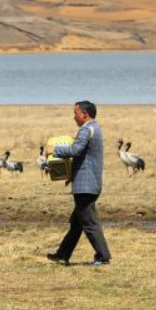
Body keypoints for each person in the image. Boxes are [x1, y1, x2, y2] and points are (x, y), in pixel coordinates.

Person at [47, 100, 111, 266]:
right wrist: (72, 175)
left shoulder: (86, 129)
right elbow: (85, 157)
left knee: (89, 222)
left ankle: (103, 257)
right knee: (77, 222)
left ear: (84, 114)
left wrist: (54, 150)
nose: (73, 117)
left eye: (75, 113)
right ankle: (63, 254)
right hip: (89, 183)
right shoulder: (95, 128)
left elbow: (75, 150)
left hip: (86, 186)